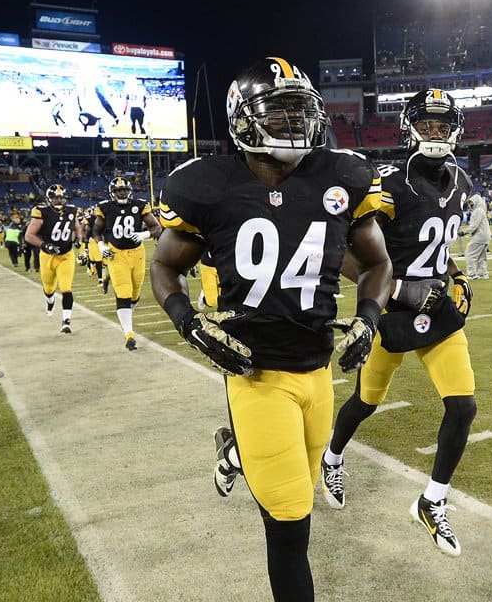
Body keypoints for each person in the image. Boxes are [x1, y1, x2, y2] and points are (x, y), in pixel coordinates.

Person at [151, 56, 392, 602]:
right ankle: (240, 439)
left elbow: (377, 264)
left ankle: (231, 447)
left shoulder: (341, 175)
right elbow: (164, 266)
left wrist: (370, 317)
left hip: (318, 373)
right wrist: (189, 324)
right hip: (257, 375)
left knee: (299, 504)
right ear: (243, 119)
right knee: (288, 526)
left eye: (298, 112)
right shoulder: (207, 184)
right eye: (277, 113)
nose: (293, 125)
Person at [320, 88, 476, 558]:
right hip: (391, 313)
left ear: (455, 128)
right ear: (409, 127)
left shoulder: (462, 181)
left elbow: (437, 246)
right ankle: (332, 458)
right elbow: (347, 251)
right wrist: (403, 289)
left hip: (438, 313)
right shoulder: (388, 182)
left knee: (463, 405)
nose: (435, 132)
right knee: (366, 402)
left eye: (442, 124)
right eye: (426, 124)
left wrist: (457, 274)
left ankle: (431, 501)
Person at [90, 177, 162, 350]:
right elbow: (96, 230)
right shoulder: (105, 207)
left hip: (137, 253)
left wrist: (144, 235)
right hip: (116, 254)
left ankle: (128, 311)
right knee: (124, 293)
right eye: (118, 191)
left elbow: (156, 227)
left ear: (129, 190)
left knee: (135, 292)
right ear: (112, 193)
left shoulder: (140, 205)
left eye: (124, 190)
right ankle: (129, 334)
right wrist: (100, 245)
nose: (122, 193)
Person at [25, 184, 83, 333]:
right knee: (49, 288)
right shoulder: (41, 212)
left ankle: (66, 321)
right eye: (55, 197)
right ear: (49, 198)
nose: (58, 200)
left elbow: (77, 227)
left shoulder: (71, 210)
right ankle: (50, 302)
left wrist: (78, 238)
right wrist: (45, 245)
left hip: (66, 256)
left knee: (66, 288)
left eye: (61, 197)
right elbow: (29, 236)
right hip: (48, 257)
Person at [463, 193, 491, 279]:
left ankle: (472, 274)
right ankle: (483, 273)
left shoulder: (477, 211)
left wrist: (464, 232)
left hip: (480, 235)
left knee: (469, 254)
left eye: (471, 202)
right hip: (486, 235)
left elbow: (474, 225)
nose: (470, 204)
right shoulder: (481, 210)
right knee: (482, 256)